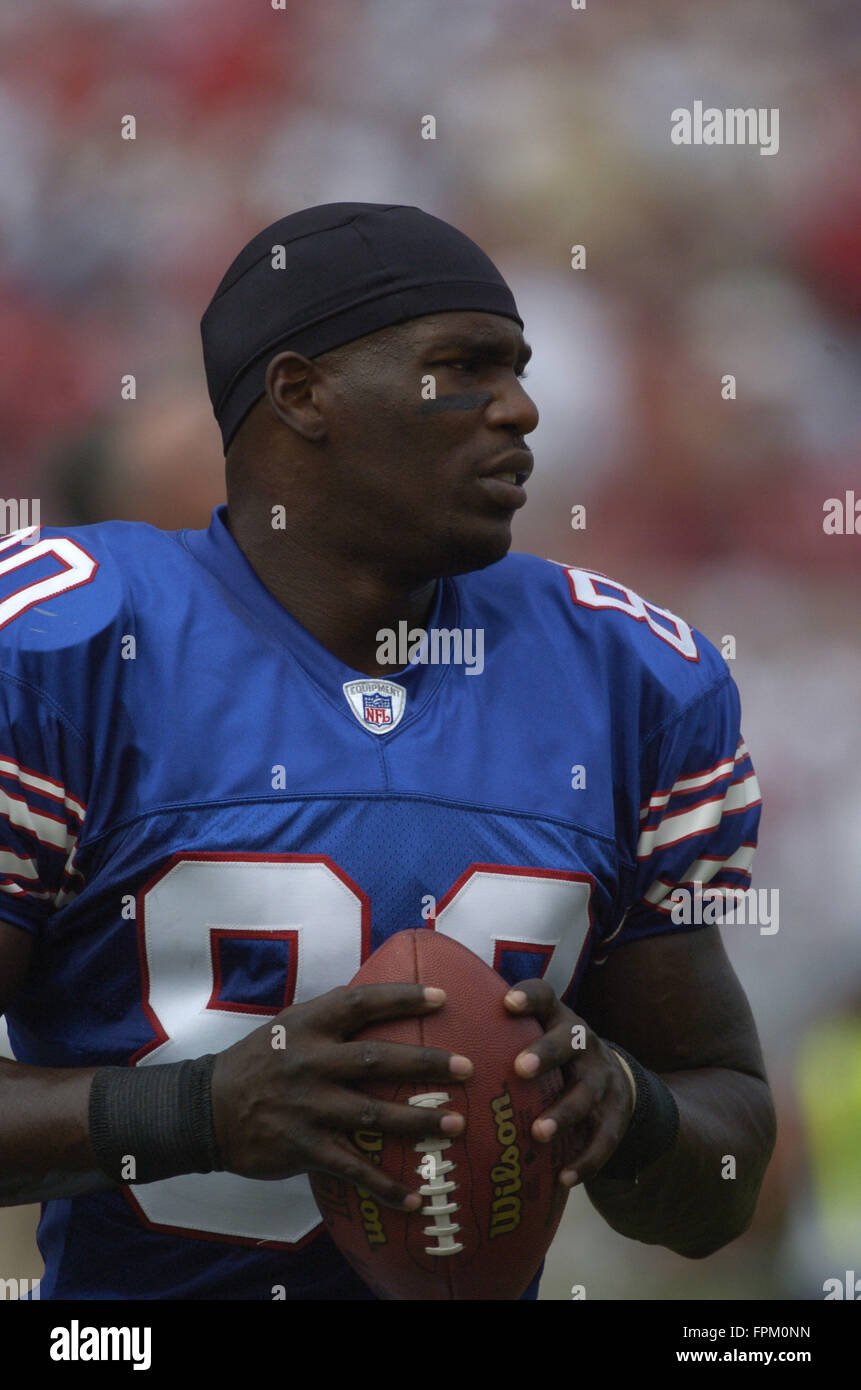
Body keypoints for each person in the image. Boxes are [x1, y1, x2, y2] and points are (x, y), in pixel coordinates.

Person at [0, 202, 775, 1300]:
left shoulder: (627, 674)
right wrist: (198, 1112)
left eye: (518, 368)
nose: (521, 408)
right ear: (301, 393)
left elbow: (725, 1167)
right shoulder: (64, 647)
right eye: (462, 367)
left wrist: (631, 1110)